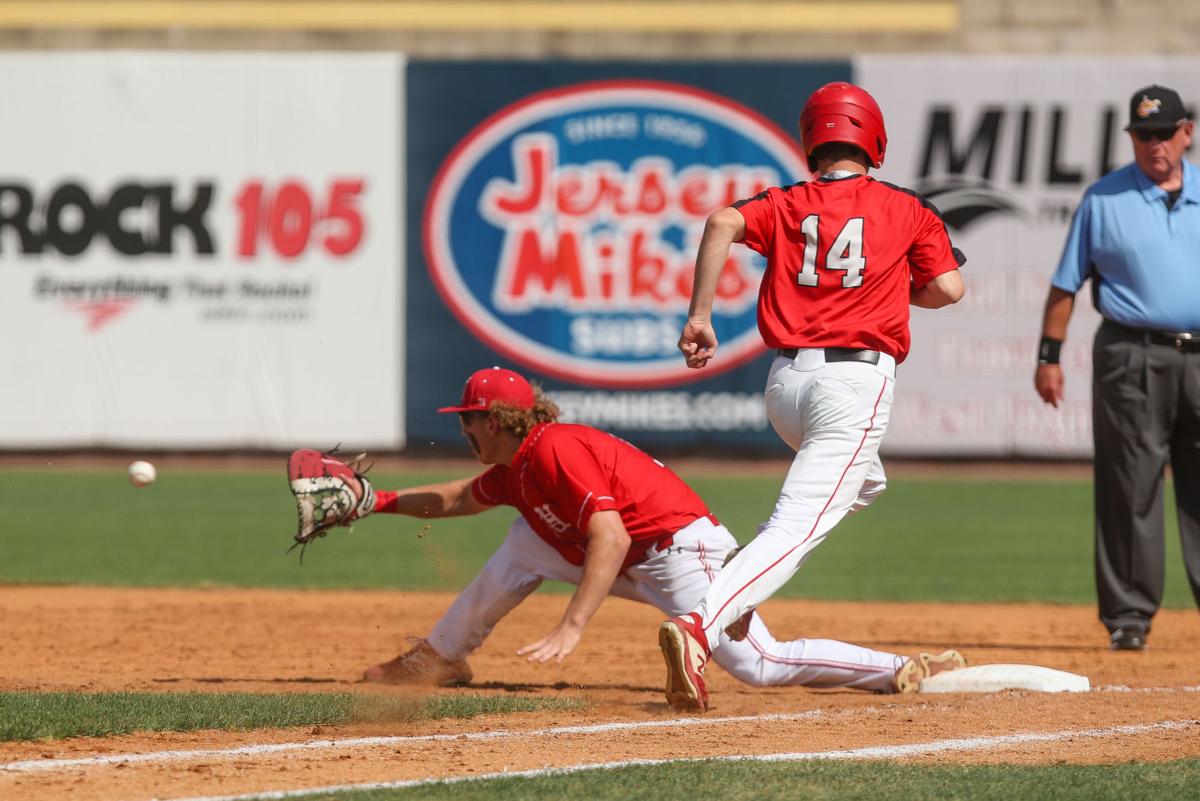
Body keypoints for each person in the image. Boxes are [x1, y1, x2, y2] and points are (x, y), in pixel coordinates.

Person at [288, 366, 965, 699]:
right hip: (631, 550)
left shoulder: (551, 450)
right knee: (520, 546)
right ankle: (440, 655)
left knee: (757, 662)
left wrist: (573, 624)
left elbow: (608, 535)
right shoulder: (518, 468)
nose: (463, 427)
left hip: (680, 550)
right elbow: (459, 498)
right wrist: (376, 500)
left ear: (499, 420)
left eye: (471, 417)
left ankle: (898, 670)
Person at [661, 81, 967, 712]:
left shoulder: (786, 201)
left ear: (812, 142)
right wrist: (885, 286)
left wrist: (700, 315)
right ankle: (701, 625)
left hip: (786, 388)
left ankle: (741, 589)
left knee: (864, 484)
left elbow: (721, 221)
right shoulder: (907, 208)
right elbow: (948, 288)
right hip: (853, 385)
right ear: (874, 139)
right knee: (796, 525)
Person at [1033, 84, 1200, 652]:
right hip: (1132, 353)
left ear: (1187, 133)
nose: (1155, 144)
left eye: (1165, 133)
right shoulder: (1104, 200)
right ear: (1132, 138)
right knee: (1129, 486)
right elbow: (1064, 285)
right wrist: (1048, 357)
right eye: (1144, 135)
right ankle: (1129, 615)